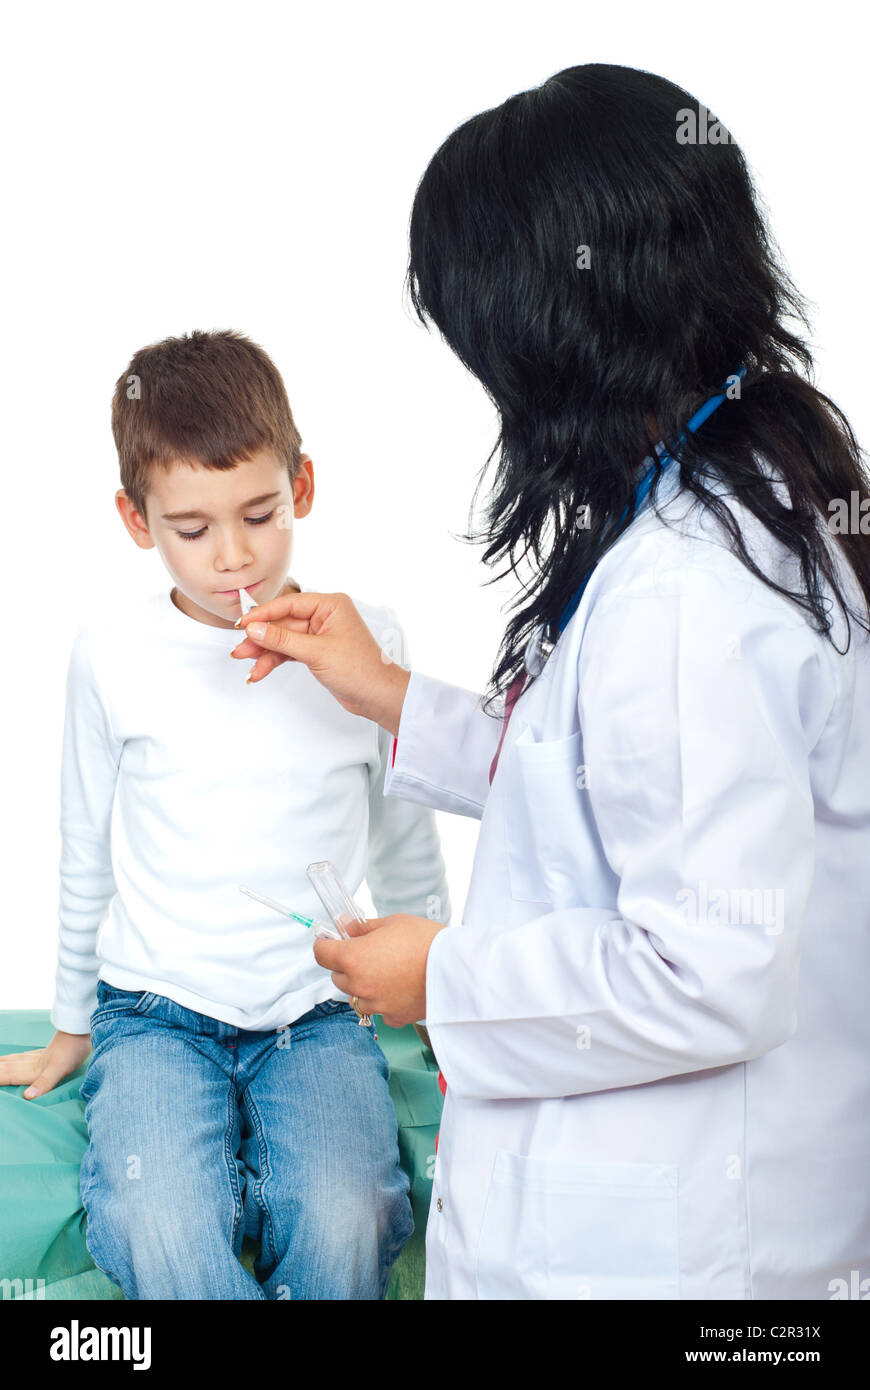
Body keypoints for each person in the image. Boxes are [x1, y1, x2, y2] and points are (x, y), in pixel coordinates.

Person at [231, 65, 870, 1300]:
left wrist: (441, 978)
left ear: (555, 334)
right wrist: (395, 695)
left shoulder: (691, 590)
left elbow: (710, 975)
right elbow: (620, 782)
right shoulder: (749, 487)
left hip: (672, 1256)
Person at [0, 329, 449, 1299]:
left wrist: (442, 991)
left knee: (347, 1219)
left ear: (306, 485)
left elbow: (406, 833)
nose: (234, 555)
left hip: (319, 1016)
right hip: (155, 1016)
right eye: (193, 528)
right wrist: (73, 1025)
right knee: (158, 1223)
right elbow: (84, 852)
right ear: (135, 518)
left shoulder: (366, 640)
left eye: (261, 513)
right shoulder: (111, 654)